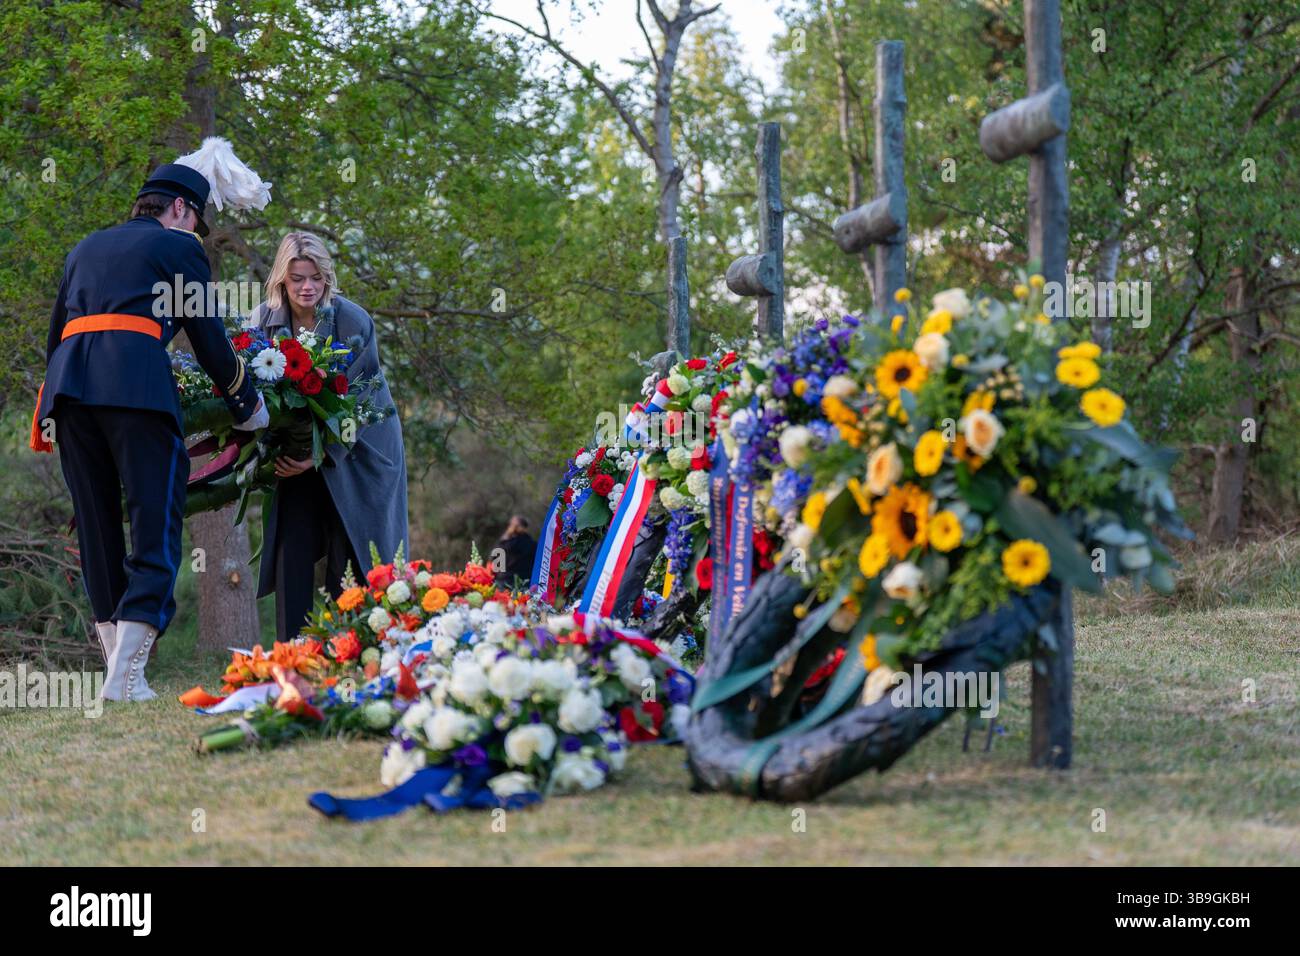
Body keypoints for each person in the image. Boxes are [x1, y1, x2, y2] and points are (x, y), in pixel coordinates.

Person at [31, 163, 268, 702]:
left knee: (96, 529)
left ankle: (122, 673)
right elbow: (207, 336)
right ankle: (123, 676)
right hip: (135, 386)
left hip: (68, 393)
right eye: (196, 221)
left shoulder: (86, 247)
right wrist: (246, 403)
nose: (195, 233)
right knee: (155, 521)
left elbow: (55, 338)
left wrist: (53, 406)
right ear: (181, 209)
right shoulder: (180, 248)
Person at [247, 232, 408, 640]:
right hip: (295, 454)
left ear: (327, 278)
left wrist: (321, 455)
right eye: (298, 277)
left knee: (349, 558)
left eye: (316, 278)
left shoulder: (352, 320)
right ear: (282, 278)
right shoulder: (262, 321)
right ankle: (292, 654)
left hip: (358, 452)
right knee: (291, 548)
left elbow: (362, 398)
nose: (307, 287)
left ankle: (349, 650)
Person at [494, 515, 536, 588]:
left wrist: (507, 535)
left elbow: (495, 561)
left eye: (513, 525)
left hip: (505, 580)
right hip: (523, 582)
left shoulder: (505, 543)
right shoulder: (532, 543)